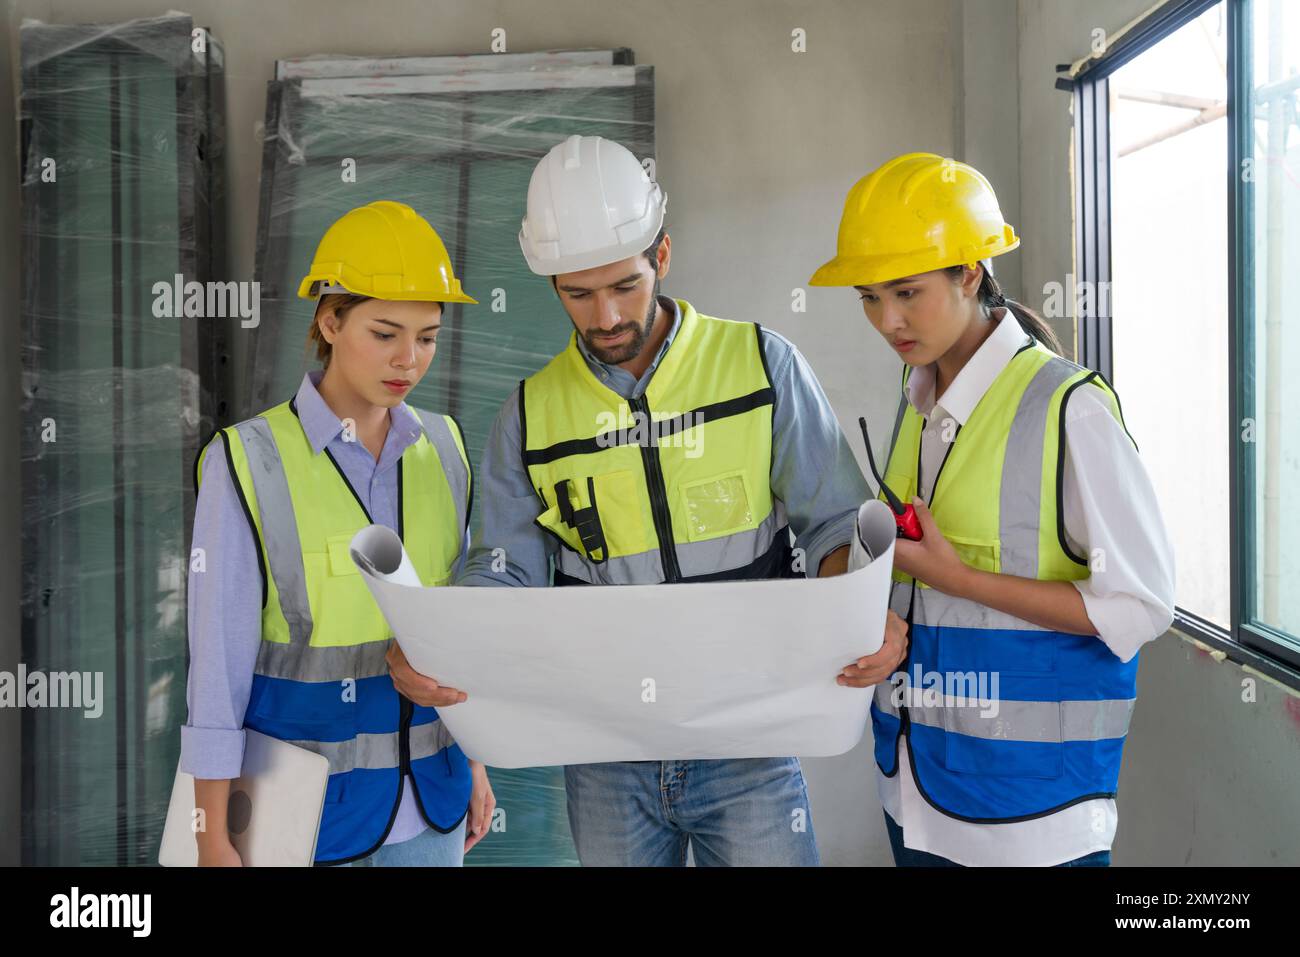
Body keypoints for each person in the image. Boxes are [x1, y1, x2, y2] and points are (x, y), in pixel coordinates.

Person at [398, 133, 909, 867]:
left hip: (748, 737)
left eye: (624, 285)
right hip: (606, 749)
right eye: (578, 293)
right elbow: (505, 570)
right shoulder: (529, 414)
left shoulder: (761, 365)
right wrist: (441, 639)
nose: (604, 315)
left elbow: (834, 521)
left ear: (661, 257)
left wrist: (857, 614)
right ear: (552, 285)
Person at [809, 152, 1176, 866]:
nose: (888, 320)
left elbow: (1141, 605)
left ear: (970, 272)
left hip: (1030, 817)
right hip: (915, 790)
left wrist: (958, 577)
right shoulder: (915, 402)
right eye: (869, 296)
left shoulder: (1070, 409)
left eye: (908, 292)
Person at [181, 200, 495, 866]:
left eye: (428, 335)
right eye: (385, 332)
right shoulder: (249, 460)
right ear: (331, 320)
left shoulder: (446, 448)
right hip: (300, 822)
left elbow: (458, 635)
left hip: (433, 810)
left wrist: (476, 761)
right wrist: (208, 833)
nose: (408, 359)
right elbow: (217, 668)